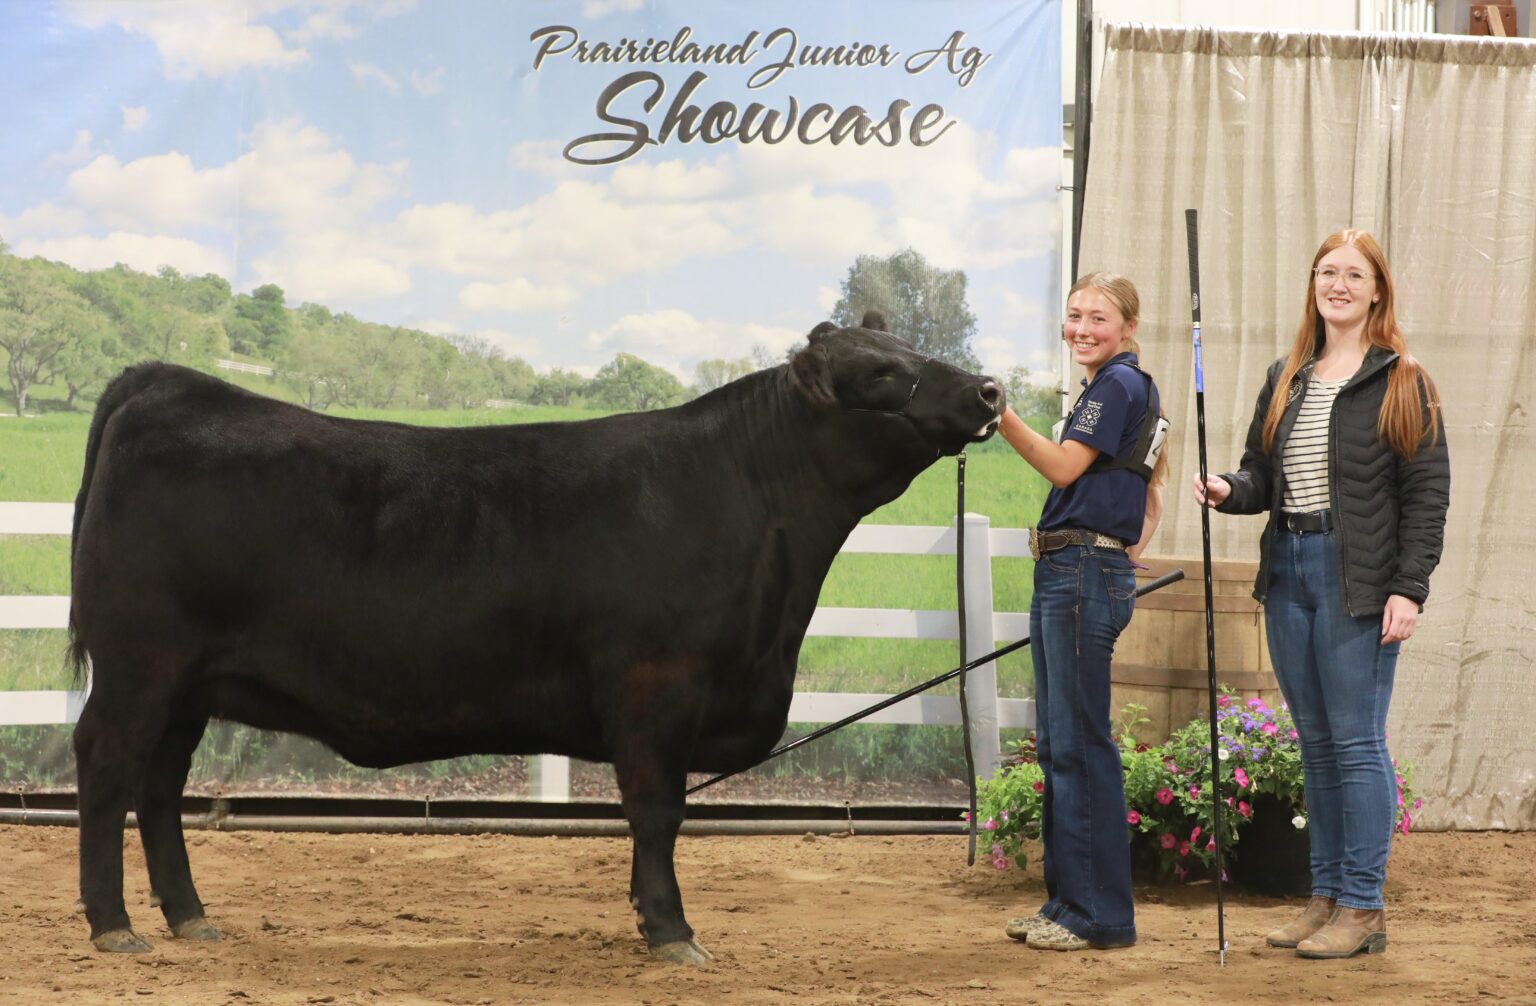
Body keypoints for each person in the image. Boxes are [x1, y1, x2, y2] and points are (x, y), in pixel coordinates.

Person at [1193, 229, 1449, 959]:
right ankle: (1327, 895)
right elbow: (1261, 477)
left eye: (1353, 274)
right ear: (1313, 284)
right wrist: (1228, 489)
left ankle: (1364, 907)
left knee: (1357, 743)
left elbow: (1427, 495)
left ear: (1377, 290)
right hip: (1291, 568)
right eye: (1326, 272)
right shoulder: (1288, 377)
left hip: (1356, 575)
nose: (1337, 284)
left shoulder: (1404, 380)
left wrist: (1409, 588)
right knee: (1316, 746)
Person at [999, 272, 1168, 951]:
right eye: (1074, 316)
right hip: (1077, 567)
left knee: (1079, 743)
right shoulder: (1128, 390)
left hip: (1078, 573)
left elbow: (1066, 470)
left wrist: (1002, 415)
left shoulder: (1118, 386)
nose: (1082, 329)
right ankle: (1068, 906)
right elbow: (1151, 493)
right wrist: (1125, 547)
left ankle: (1099, 915)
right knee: (1062, 743)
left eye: (1098, 318)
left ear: (1127, 326)